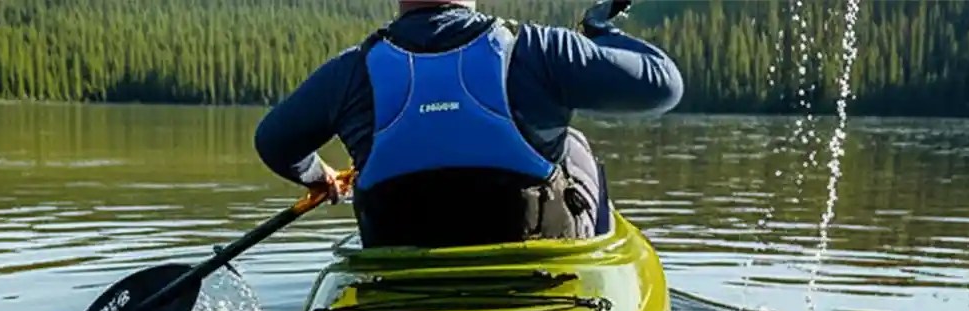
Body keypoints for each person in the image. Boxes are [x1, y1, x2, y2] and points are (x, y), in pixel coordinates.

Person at [253, 0, 683, 247]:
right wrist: (600, 29)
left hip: (400, 264)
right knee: (572, 145)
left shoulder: (351, 72)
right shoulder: (539, 50)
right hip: (533, 260)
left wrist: (319, 175)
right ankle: (600, 269)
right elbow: (665, 85)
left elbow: (273, 142)